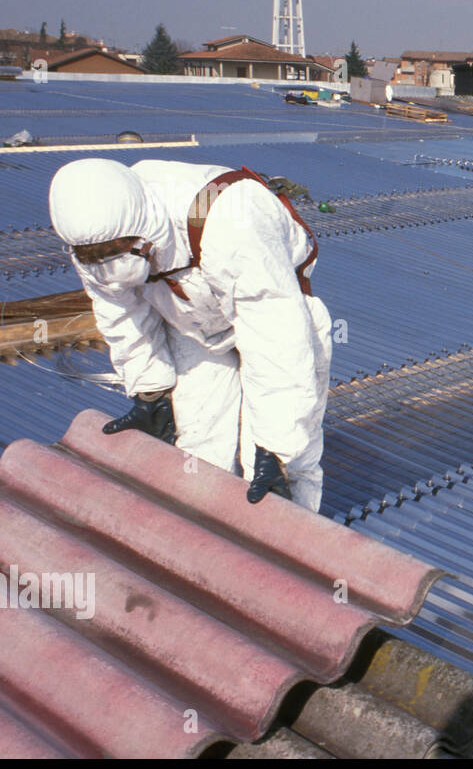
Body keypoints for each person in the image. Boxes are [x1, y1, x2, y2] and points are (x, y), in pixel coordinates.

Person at [49, 158, 333, 510]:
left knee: (282, 465)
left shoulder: (228, 218)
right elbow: (121, 313)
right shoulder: (93, 240)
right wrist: (149, 390)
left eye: (119, 251)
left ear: (143, 227)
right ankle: (204, 537)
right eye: (95, 257)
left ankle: (290, 547)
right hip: (192, 320)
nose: (106, 263)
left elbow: (275, 335)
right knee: (198, 442)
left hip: (275, 314)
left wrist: (275, 446)